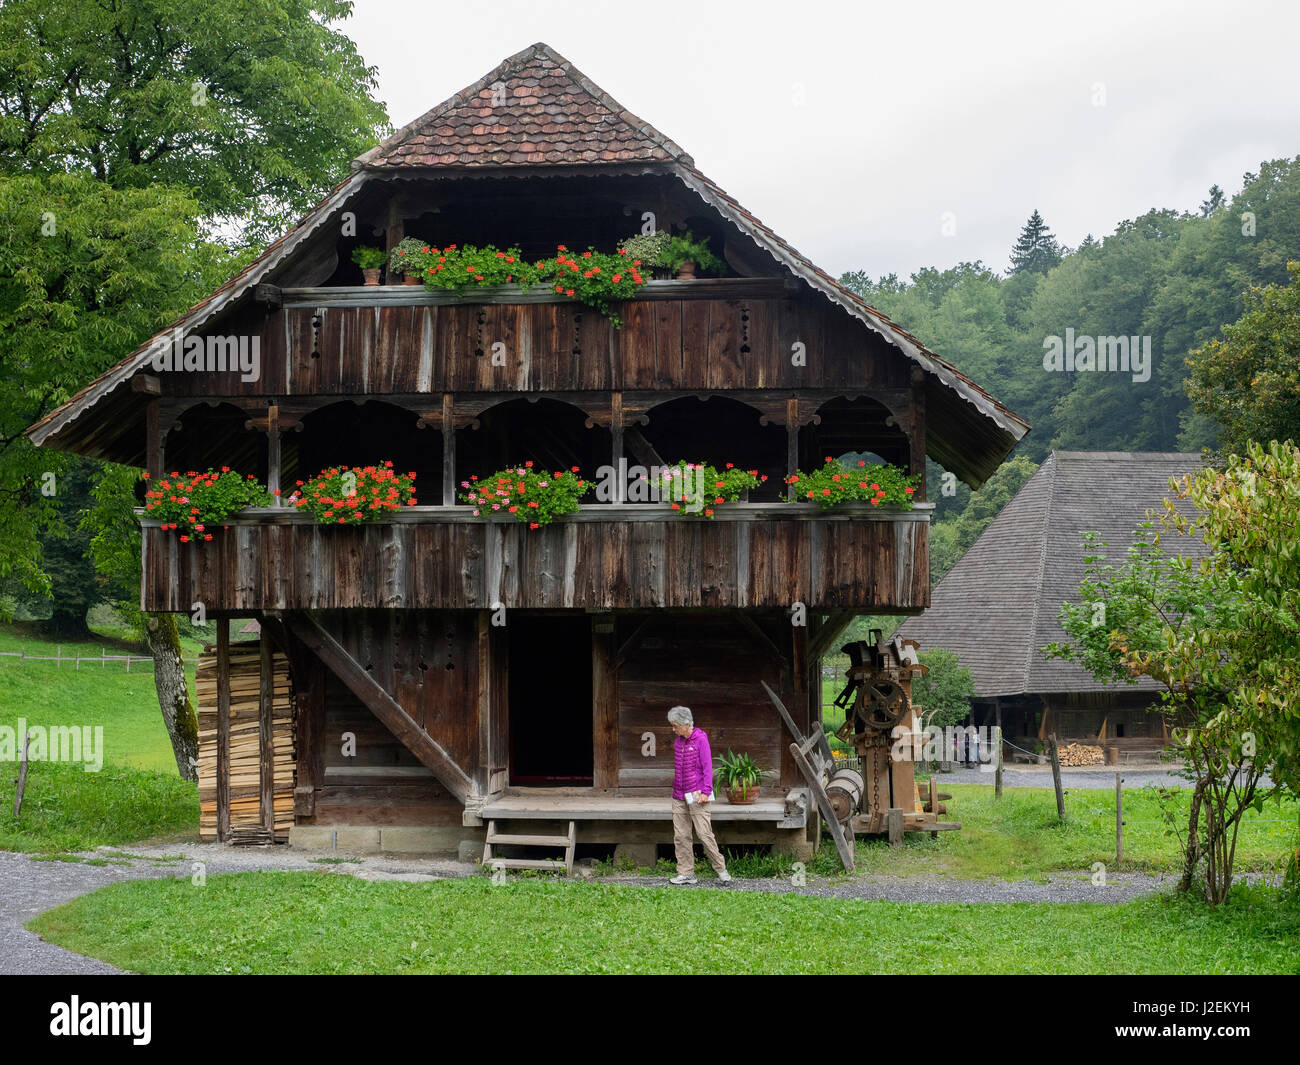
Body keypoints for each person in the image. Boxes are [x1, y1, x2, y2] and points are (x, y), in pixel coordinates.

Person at [667, 706, 731, 885]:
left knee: (704, 834)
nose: (673, 729)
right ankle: (686, 873)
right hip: (678, 794)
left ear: (686, 724)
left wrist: (706, 791)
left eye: (675, 726)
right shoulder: (678, 742)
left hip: (697, 794)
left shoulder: (701, 739)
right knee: (681, 836)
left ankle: (721, 869)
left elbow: (707, 766)